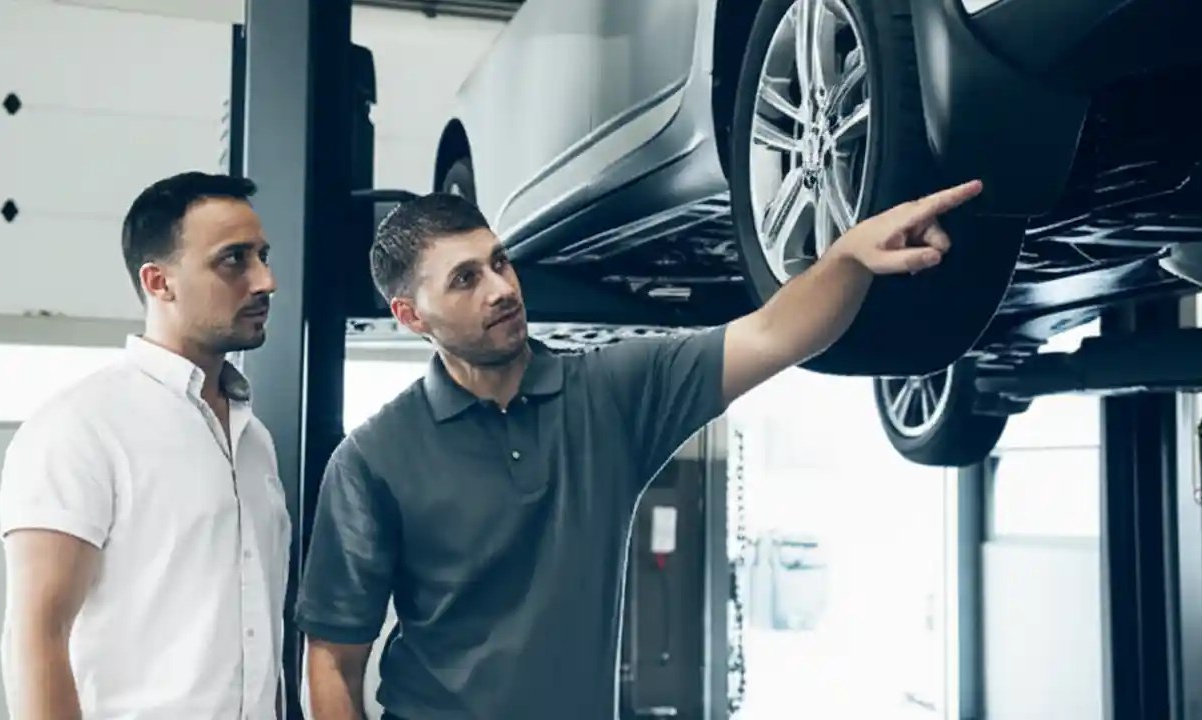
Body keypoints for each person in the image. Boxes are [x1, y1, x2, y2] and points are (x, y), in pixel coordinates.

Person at [295, 180, 985, 719]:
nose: (503, 288)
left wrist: (847, 257)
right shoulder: (373, 459)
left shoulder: (614, 393)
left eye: (499, 261)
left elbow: (774, 334)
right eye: (466, 279)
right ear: (411, 317)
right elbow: (332, 661)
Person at [0, 171, 290, 720]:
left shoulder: (254, 439)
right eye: (234, 260)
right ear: (159, 282)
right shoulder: (80, 428)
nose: (265, 280)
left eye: (263, 255)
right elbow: (36, 634)